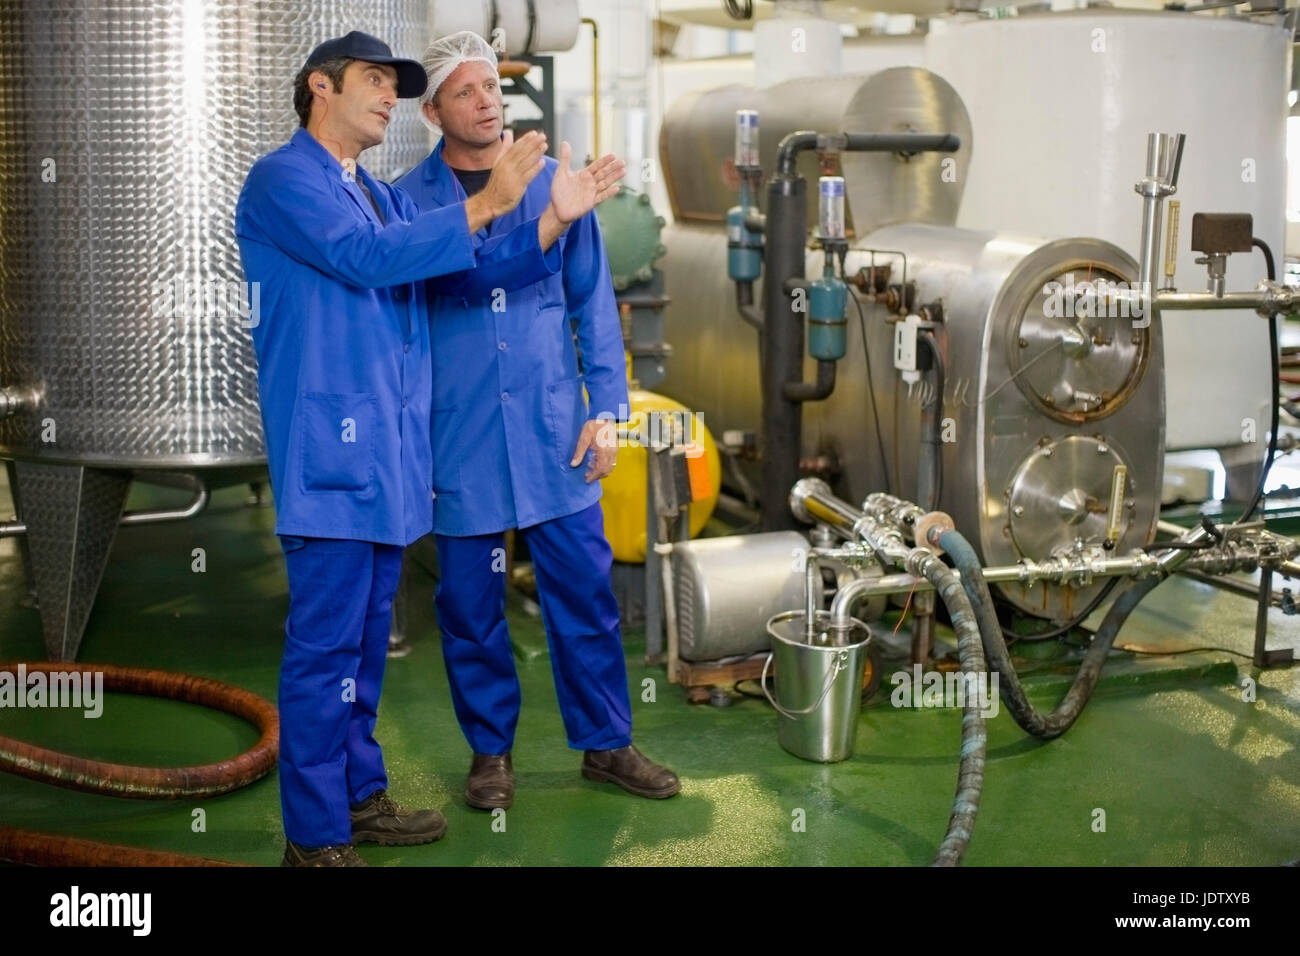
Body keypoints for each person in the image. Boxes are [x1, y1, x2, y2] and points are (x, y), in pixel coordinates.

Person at [234, 31, 623, 866]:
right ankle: (313, 836)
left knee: (366, 648)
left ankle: (358, 795)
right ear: (319, 89)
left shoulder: (377, 193)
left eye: (392, 84)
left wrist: (548, 220)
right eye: (372, 81)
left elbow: (463, 273)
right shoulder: (284, 180)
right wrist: (488, 201)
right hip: (333, 461)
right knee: (324, 652)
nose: (384, 96)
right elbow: (364, 261)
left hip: (389, 464)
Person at [397, 31, 679, 812]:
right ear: (433, 111)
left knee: (584, 595)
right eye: (467, 91)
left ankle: (607, 744)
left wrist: (609, 412)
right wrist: (543, 224)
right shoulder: (408, 200)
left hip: (556, 435)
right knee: (469, 608)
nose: (487, 101)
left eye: (492, 86)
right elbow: (456, 280)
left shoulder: (562, 183)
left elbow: (593, 307)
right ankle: (491, 756)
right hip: (458, 441)